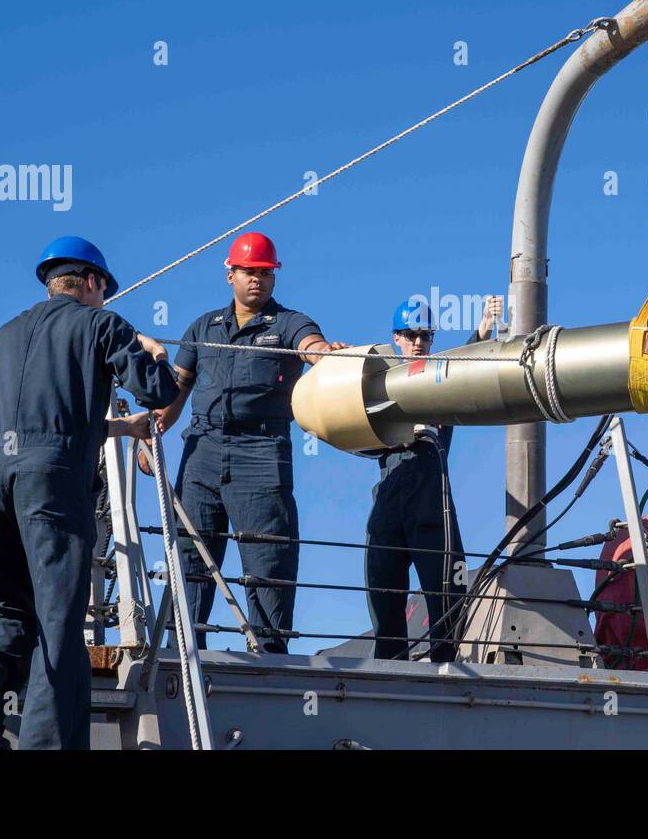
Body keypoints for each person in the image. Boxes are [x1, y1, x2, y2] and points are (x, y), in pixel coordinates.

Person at [0, 236, 176, 750]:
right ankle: (45, 744)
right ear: (91, 283)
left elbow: (48, 418)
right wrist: (154, 354)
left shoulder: (7, 333)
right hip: (51, 487)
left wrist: (119, 427)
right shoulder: (101, 323)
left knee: (11, 611)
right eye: (104, 290)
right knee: (59, 622)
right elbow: (155, 389)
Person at [148, 231, 346, 653]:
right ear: (230, 274)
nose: (257, 280)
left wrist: (329, 354)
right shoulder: (203, 327)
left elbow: (313, 348)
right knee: (191, 559)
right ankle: (182, 654)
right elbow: (176, 391)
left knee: (267, 560)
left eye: (264, 273)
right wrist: (153, 431)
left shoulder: (291, 323)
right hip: (201, 452)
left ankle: (270, 659)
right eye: (249, 272)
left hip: (261, 454)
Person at [365, 295, 502, 662]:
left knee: (447, 586)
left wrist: (483, 329)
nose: (418, 342)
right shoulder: (380, 386)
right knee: (383, 585)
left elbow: (468, 368)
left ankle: (445, 662)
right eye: (410, 335)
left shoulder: (443, 380)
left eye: (425, 335)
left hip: (431, 498)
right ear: (396, 338)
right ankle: (389, 666)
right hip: (390, 496)